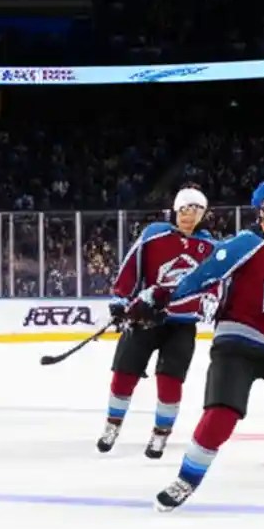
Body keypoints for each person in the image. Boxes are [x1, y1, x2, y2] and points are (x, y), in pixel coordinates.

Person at [127, 180, 264, 512]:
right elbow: (202, 277)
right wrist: (158, 297)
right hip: (237, 344)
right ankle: (187, 480)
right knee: (222, 415)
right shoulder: (244, 244)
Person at [99, 183, 215, 459]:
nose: (190, 215)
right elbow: (131, 268)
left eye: (197, 210)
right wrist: (121, 300)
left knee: (170, 380)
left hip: (181, 324)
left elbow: (212, 286)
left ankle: (160, 434)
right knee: (124, 375)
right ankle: (112, 426)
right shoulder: (154, 235)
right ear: (176, 209)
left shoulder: (210, 246)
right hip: (145, 318)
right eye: (185, 208)